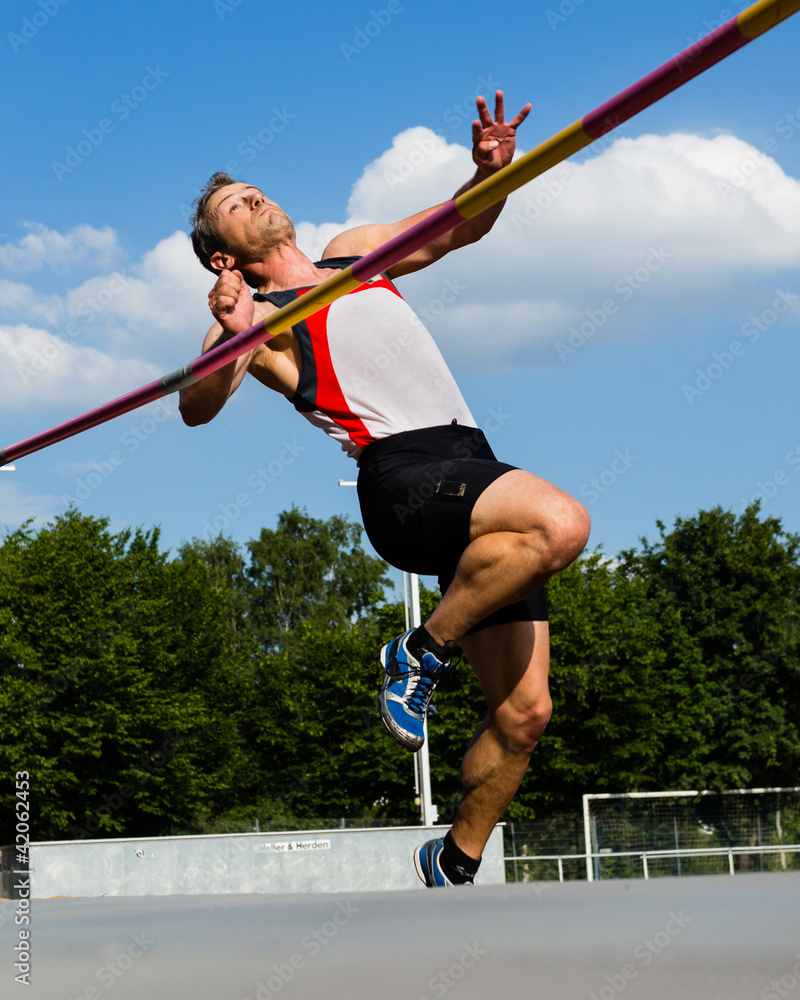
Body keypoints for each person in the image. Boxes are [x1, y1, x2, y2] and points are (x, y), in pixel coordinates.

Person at [180, 92, 591, 887]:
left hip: (469, 461)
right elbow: (196, 410)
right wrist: (234, 333)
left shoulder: (354, 252)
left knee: (524, 715)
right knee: (562, 524)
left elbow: (462, 225)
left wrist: (490, 174)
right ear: (222, 255)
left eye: (254, 188)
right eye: (235, 205)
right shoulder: (255, 312)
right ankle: (419, 653)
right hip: (403, 479)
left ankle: (453, 862)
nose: (256, 198)